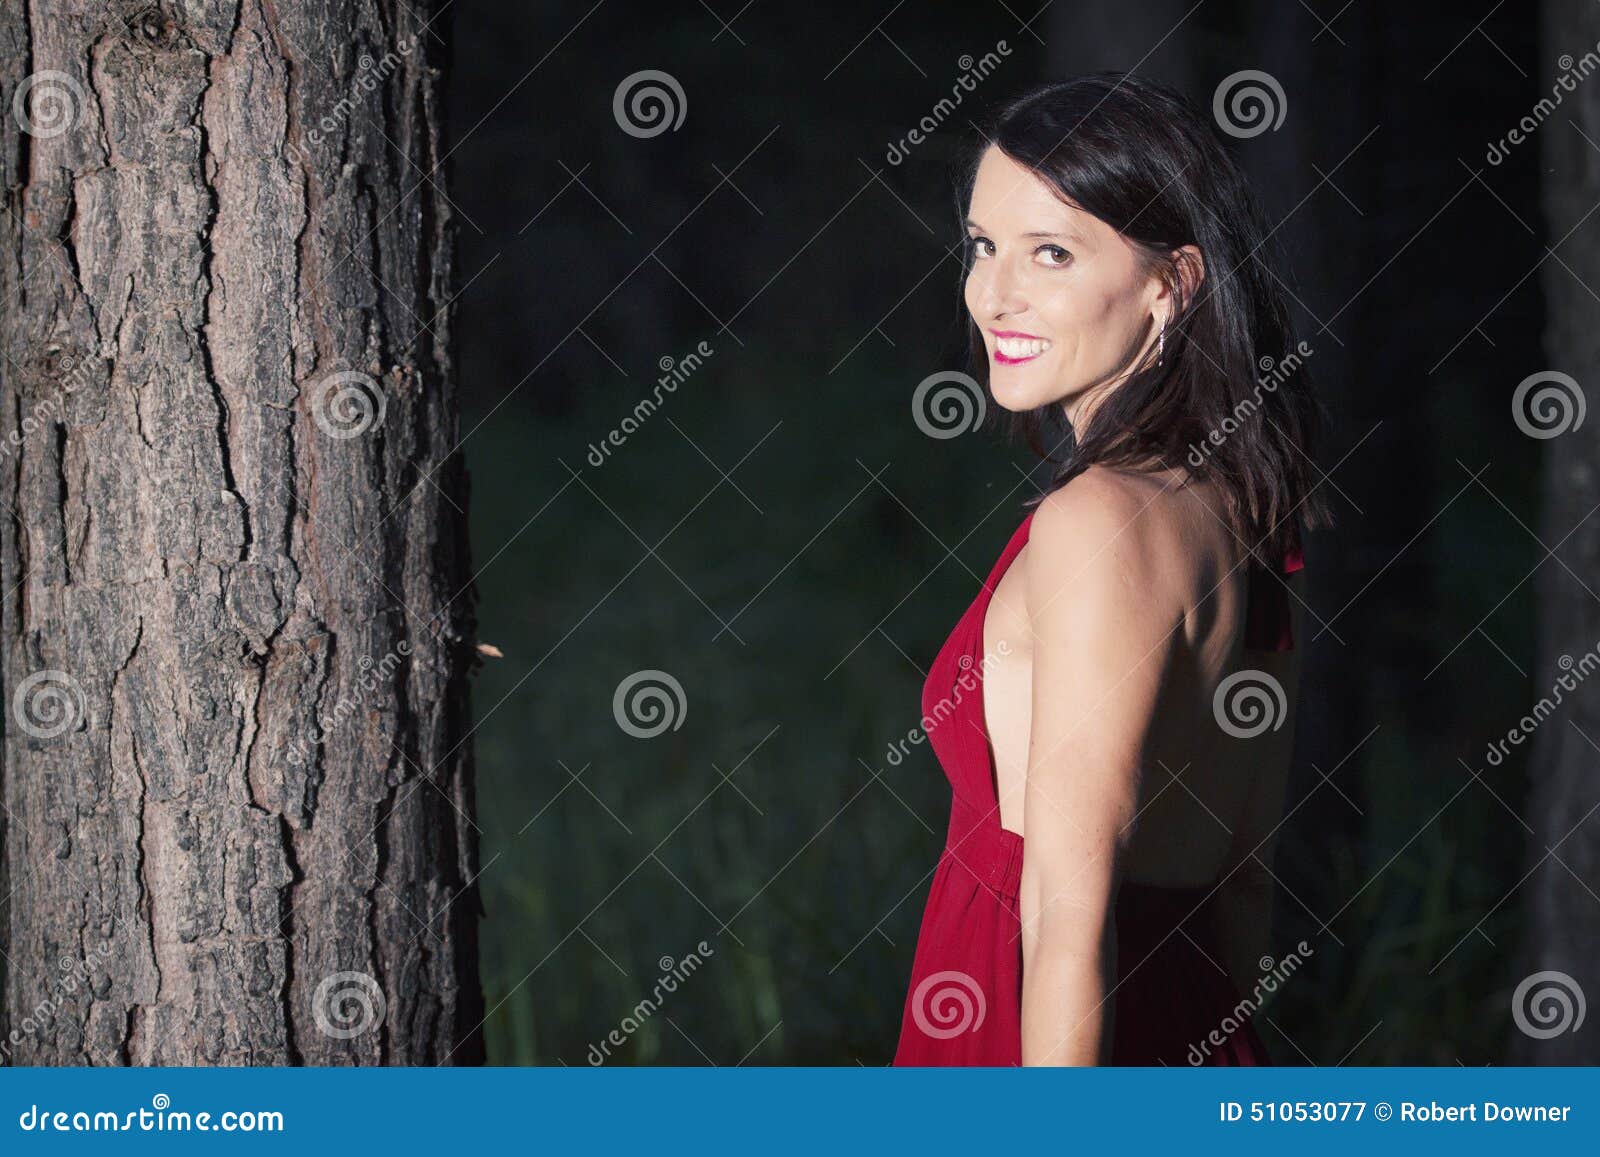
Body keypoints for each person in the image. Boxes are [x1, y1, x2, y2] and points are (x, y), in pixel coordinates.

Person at [893, 72, 1330, 1066]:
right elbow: (1243, 881)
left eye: (1051, 252)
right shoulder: (1243, 512)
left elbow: (1062, 915)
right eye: (982, 247)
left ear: (1168, 282)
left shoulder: (1095, 523)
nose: (993, 293)